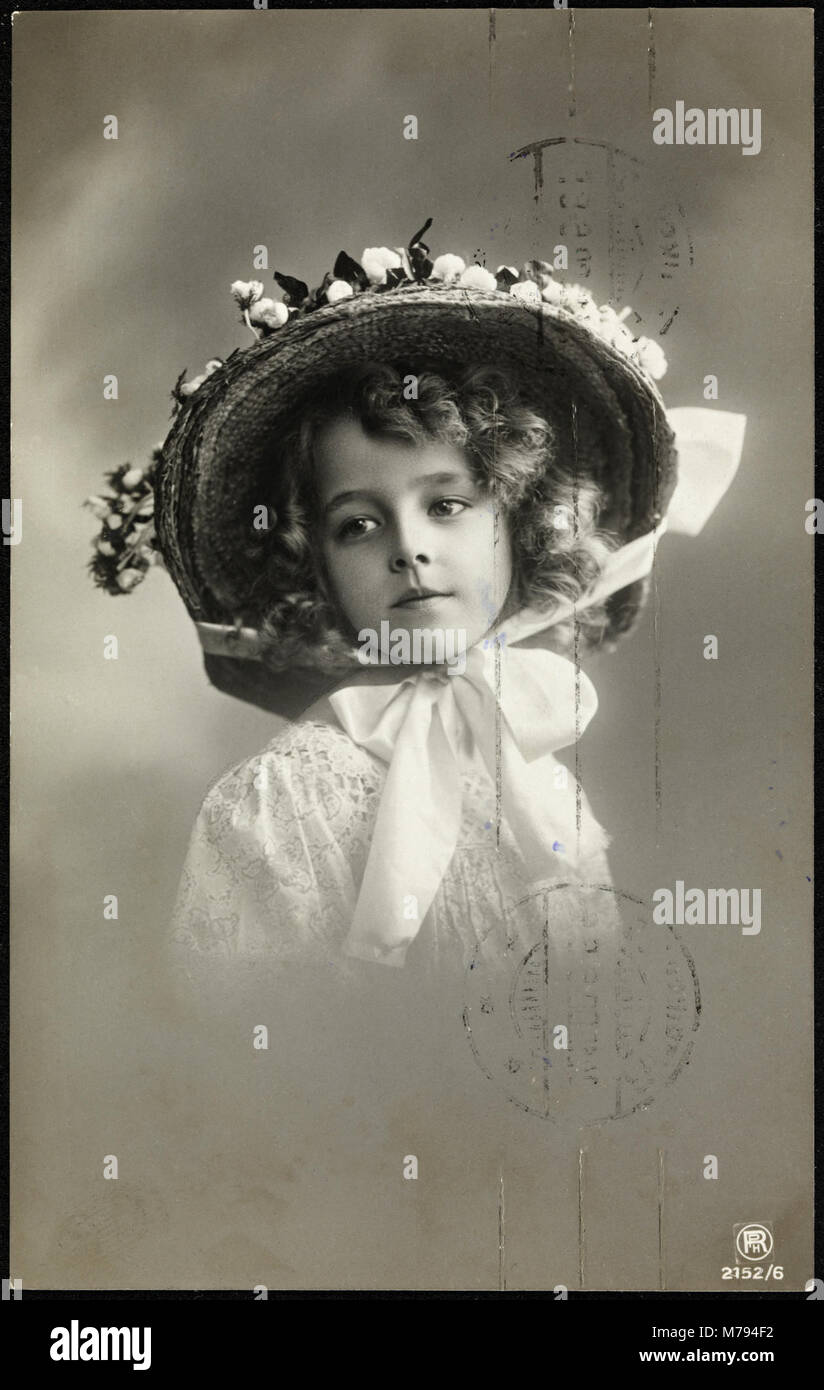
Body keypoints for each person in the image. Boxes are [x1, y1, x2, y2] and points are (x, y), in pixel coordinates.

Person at [85, 217, 746, 1117]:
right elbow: (241, 1089)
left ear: (518, 520)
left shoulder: (546, 783)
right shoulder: (284, 804)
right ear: (314, 565)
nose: (409, 551)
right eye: (359, 524)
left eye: (447, 505)